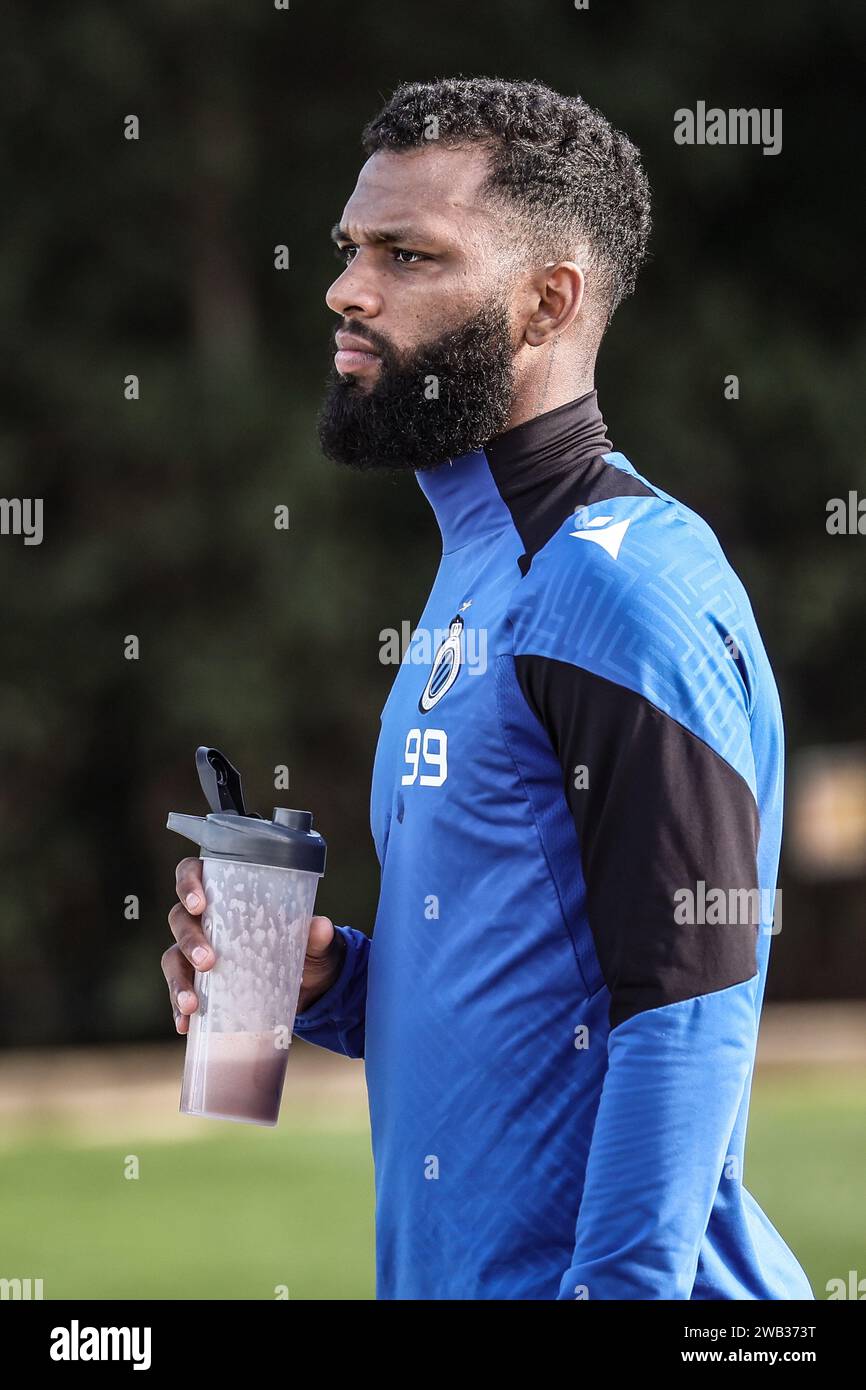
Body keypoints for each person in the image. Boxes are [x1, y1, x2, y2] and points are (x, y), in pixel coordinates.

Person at [162, 77, 814, 1301]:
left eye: (407, 254)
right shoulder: (478, 570)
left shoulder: (621, 587)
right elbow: (528, 985)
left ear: (545, 301)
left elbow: (688, 1006)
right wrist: (336, 982)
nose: (346, 289)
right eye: (352, 247)